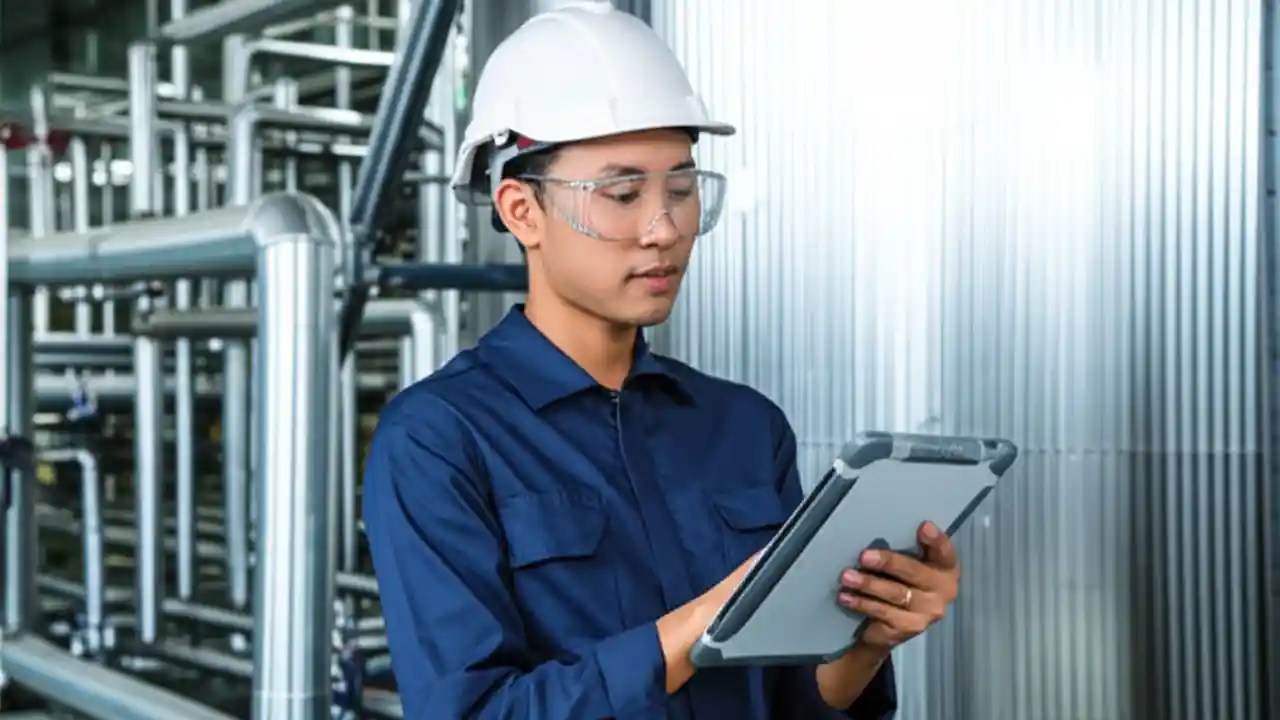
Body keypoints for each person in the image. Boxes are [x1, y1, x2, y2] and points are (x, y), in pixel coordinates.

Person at [363, 3, 962, 718]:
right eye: (622, 194)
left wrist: (866, 639)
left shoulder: (745, 427)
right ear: (522, 211)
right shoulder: (439, 439)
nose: (665, 228)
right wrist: (710, 619)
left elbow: (791, 700)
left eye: (681, 189)